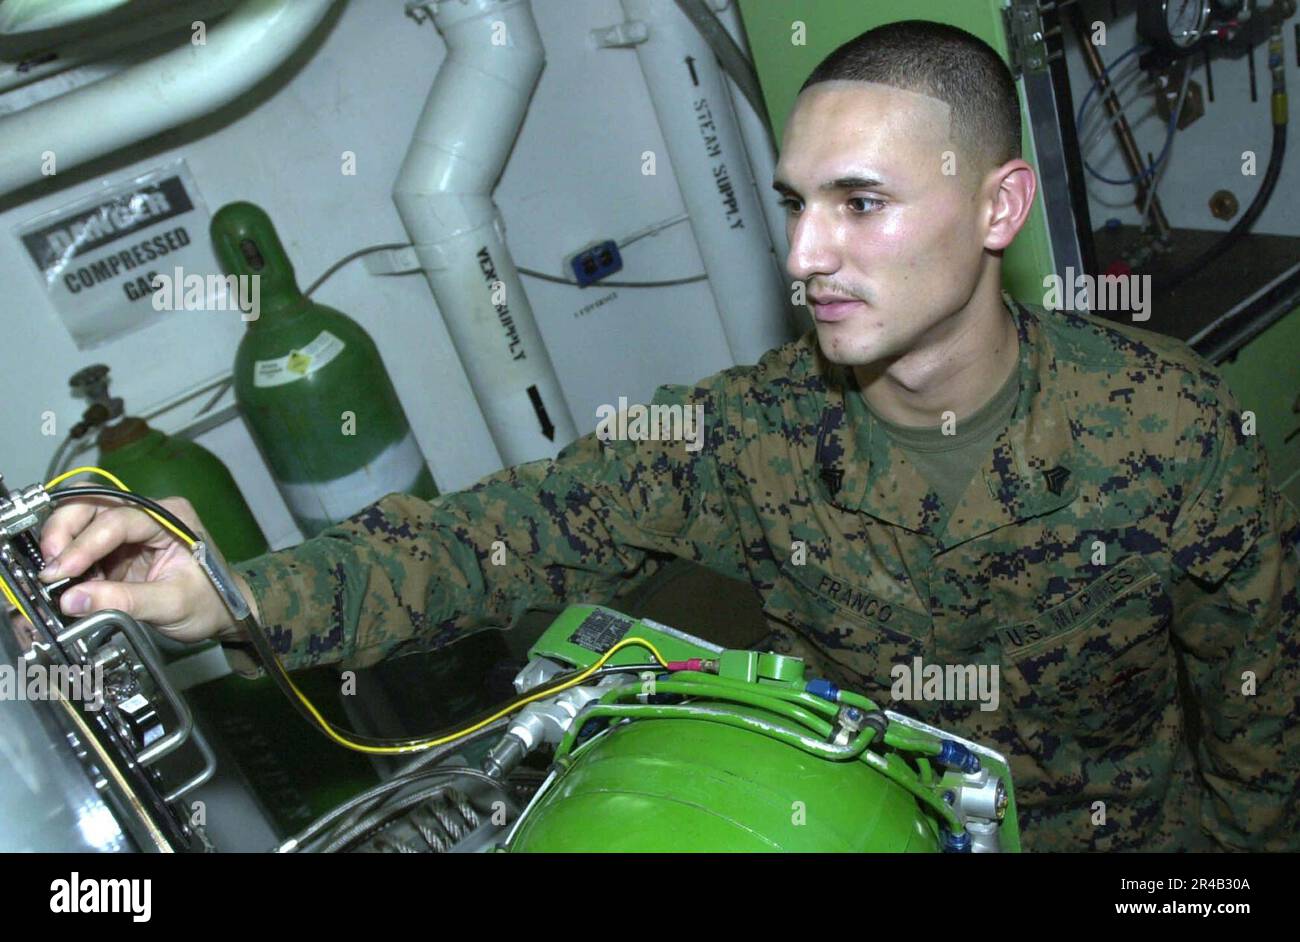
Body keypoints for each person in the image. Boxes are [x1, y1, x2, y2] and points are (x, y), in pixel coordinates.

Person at [36, 20, 1299, 852]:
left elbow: (1259, 727)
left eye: (862, 205)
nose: (806, 256)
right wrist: (236, 597)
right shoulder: (746, 439)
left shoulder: (1173, 429)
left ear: (997, 206)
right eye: (795, 205)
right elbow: (493, 538)